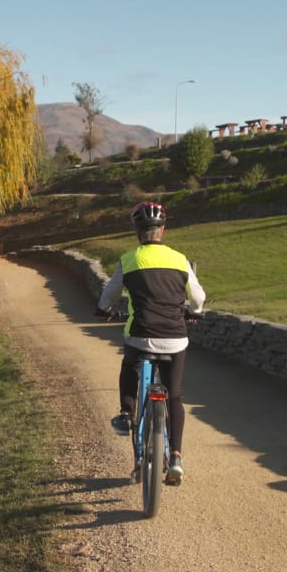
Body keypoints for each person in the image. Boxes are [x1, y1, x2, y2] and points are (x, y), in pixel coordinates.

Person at [95, 201, 205, 485]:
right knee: (175, 396)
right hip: (175, 338)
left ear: (137, 232)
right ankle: (177, 458)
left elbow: (108, 296)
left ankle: (125, 414)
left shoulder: (129, 260)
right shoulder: (180, 260)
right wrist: (193, 313)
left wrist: (105, 310)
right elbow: (198, 297)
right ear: (163, 231)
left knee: (129, 365)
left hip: (141, 335)